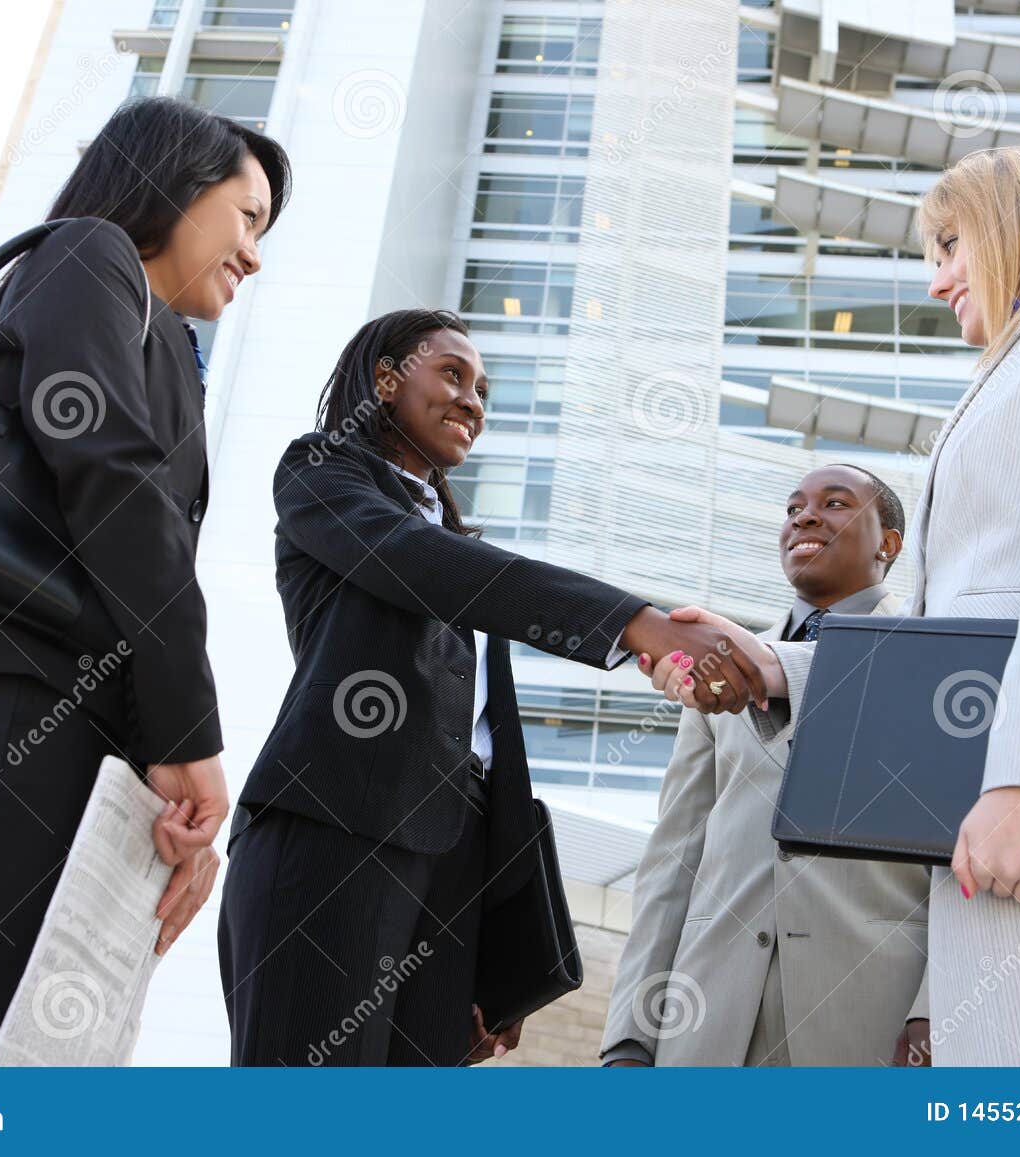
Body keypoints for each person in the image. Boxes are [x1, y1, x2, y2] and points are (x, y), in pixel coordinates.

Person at [649, 146, 1020, 1066]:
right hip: (978, 810)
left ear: (1018, 216)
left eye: (948, 244)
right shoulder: (1011, 366)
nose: (937, 281)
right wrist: (783, 662)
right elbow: (954, 637)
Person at [0, 97, 292, 1066]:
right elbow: (110, 477)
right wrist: (189, 735)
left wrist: (163, 778)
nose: (255, 253)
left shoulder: (173, 351)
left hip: (78, 746)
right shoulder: (88, 252)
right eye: (247, 216)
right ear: (176, 184)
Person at [217, 308, 769, 1066]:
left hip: (447, 879)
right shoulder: (323, 474)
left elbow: (481, 747)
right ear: (385, 380)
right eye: (452, 374)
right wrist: (632, 621)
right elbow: (419, 564)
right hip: (331, 840)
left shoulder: (453, 541)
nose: (474, 400)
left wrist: (491, 950)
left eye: (484, 388)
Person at [602, 464, 932, 1067]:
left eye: (835, 504)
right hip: (705, 1021)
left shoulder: (933, 656)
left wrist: (932, 1008)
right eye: (793, 508)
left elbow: (957, 860)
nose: (804, 517)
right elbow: (675, 855)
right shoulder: (716, 665)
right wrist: (630, 1032)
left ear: (889, 544)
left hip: (866, 1019)